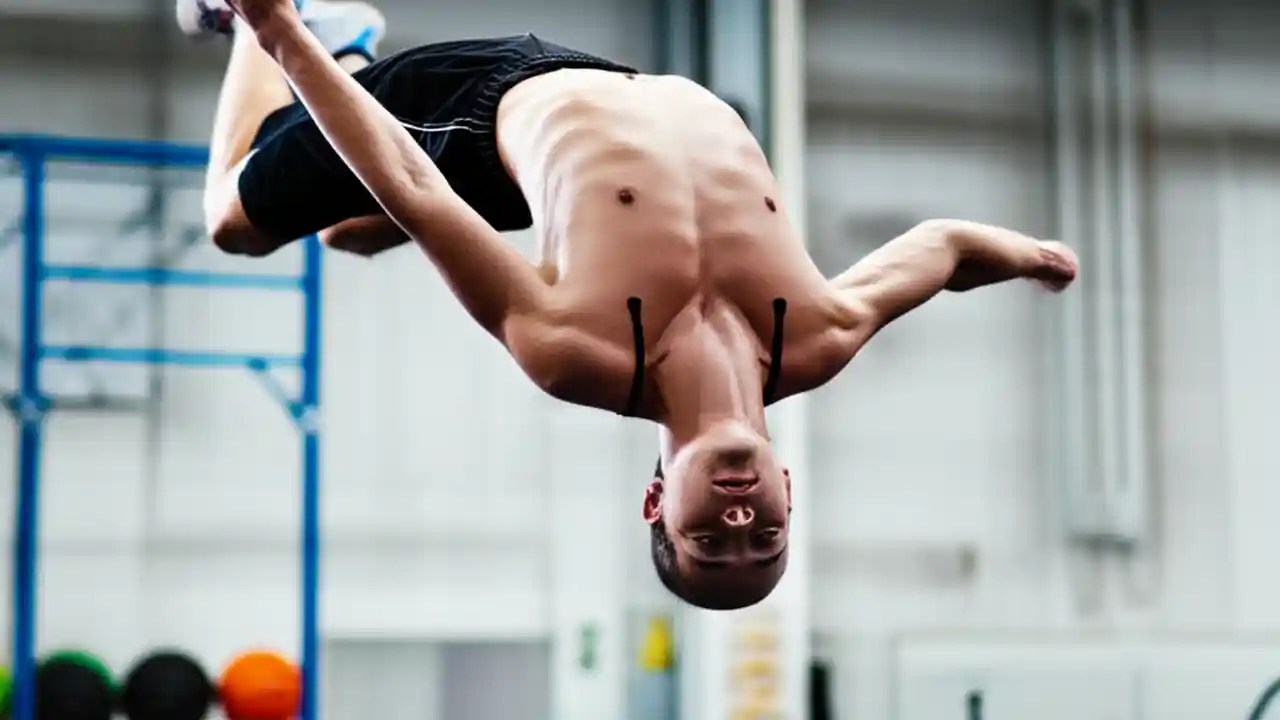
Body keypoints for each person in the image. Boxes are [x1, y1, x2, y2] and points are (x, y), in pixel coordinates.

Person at [180, 0, 1080, 610]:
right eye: (764, 540)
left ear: (657, 499)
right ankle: (342, 40)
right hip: (608, 88)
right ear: (788, 493)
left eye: (708, 540)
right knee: (349, 229)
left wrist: (276, 29)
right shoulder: (820, 336)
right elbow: (944, 248)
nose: (738, 522)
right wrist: (1033, 256)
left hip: (482, 113)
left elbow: (417, 187)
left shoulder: (581, 357)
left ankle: (279, 30)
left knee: (236, 219)